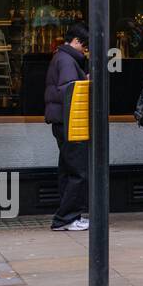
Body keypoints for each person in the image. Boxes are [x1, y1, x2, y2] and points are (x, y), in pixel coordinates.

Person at [43, 23, 90, 231]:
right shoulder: (67, 60)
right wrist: (87, 81)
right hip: (71, 121)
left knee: (67, 169)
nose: (86, 50)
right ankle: (66, 218)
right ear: (76, 42)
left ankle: (69, 215)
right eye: (85, 45)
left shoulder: (62, 57)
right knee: (78, 171)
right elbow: (69, 91)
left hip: (62, 121)